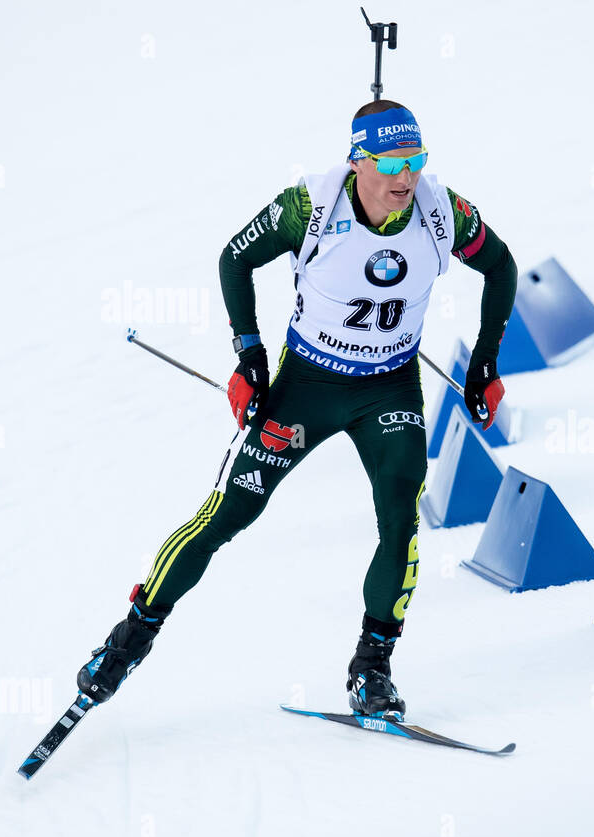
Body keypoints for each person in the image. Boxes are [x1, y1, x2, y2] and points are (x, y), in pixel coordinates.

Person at [75, 99, 516, 719]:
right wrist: (248, 355)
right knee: (230, 513)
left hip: (389, 390)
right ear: (358, 161)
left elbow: (501, 265)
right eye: (392, 162)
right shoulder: (310, 207)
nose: (406, 178)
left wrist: (485, 365)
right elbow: (235, 257)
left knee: (400, 519)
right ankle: (129, 639)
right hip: (306, 387)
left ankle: (373, 665)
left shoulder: (442, 211)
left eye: (416, 160)